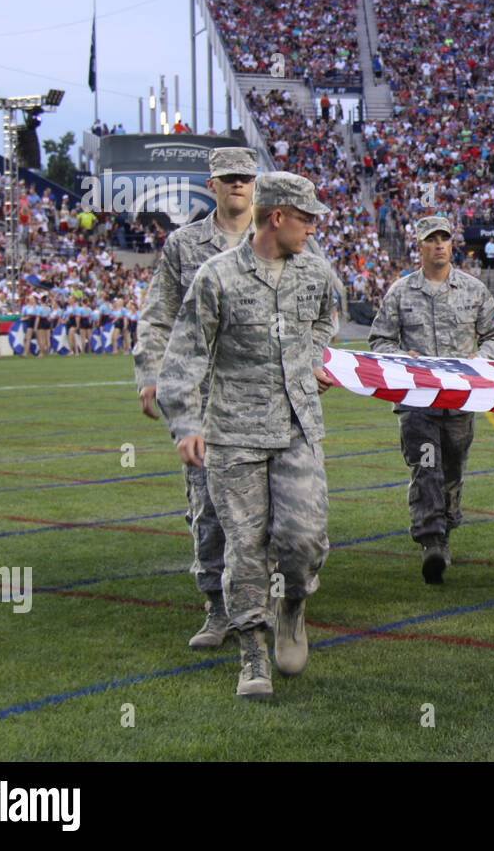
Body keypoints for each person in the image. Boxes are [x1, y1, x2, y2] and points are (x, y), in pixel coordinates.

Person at [156, 171, 337, 700]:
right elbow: (183, 356)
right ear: (277, 216)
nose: (311, 228)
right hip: (233, 433)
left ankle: (294, 608)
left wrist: (313, 357)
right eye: (305, 218)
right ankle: (251, 652)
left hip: (297, 427)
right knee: (245, 547)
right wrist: (187, 425)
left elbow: (326, 321)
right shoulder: (216, 277)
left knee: (304, 539)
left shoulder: (314, 271)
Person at [134, 147, 262, 650]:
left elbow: (320, 305)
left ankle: (258, 602)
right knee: (207, 510)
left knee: (262, 512)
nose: (237, 185)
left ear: (256, 184)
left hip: (262, 398)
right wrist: (150, 372)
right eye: (228, 178)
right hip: (203, 400)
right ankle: (216, 608)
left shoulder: (275, 237)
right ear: (211, 185)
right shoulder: (184, 246)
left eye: (245, 178)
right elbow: (158, 314)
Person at [368, 215, 494, 585]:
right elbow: (379, 340)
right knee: (425, 468)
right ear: (420, 246)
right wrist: (400, 358)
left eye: (445, 238)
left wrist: (484, 359)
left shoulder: (473, 289)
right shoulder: (400, 292)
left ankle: (445, 529)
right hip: (417, 403)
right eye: (432, 239)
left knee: (453, 471)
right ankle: (430, 540)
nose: (440, 245)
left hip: (460, 401)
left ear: (452, 244)